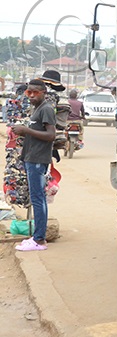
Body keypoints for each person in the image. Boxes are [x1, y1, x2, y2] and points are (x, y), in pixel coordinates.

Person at [10, 78, 57, 252]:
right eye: (28, 92)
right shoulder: (37, 108)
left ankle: (38, 239)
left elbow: (51, 135)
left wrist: (26, 130)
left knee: (37, 199)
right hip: (32, 157)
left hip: (37, 159)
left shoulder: (46, 109)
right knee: (38, 198)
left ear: (43, 93)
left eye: (34, 92)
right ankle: (38, 237)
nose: (30, 95)